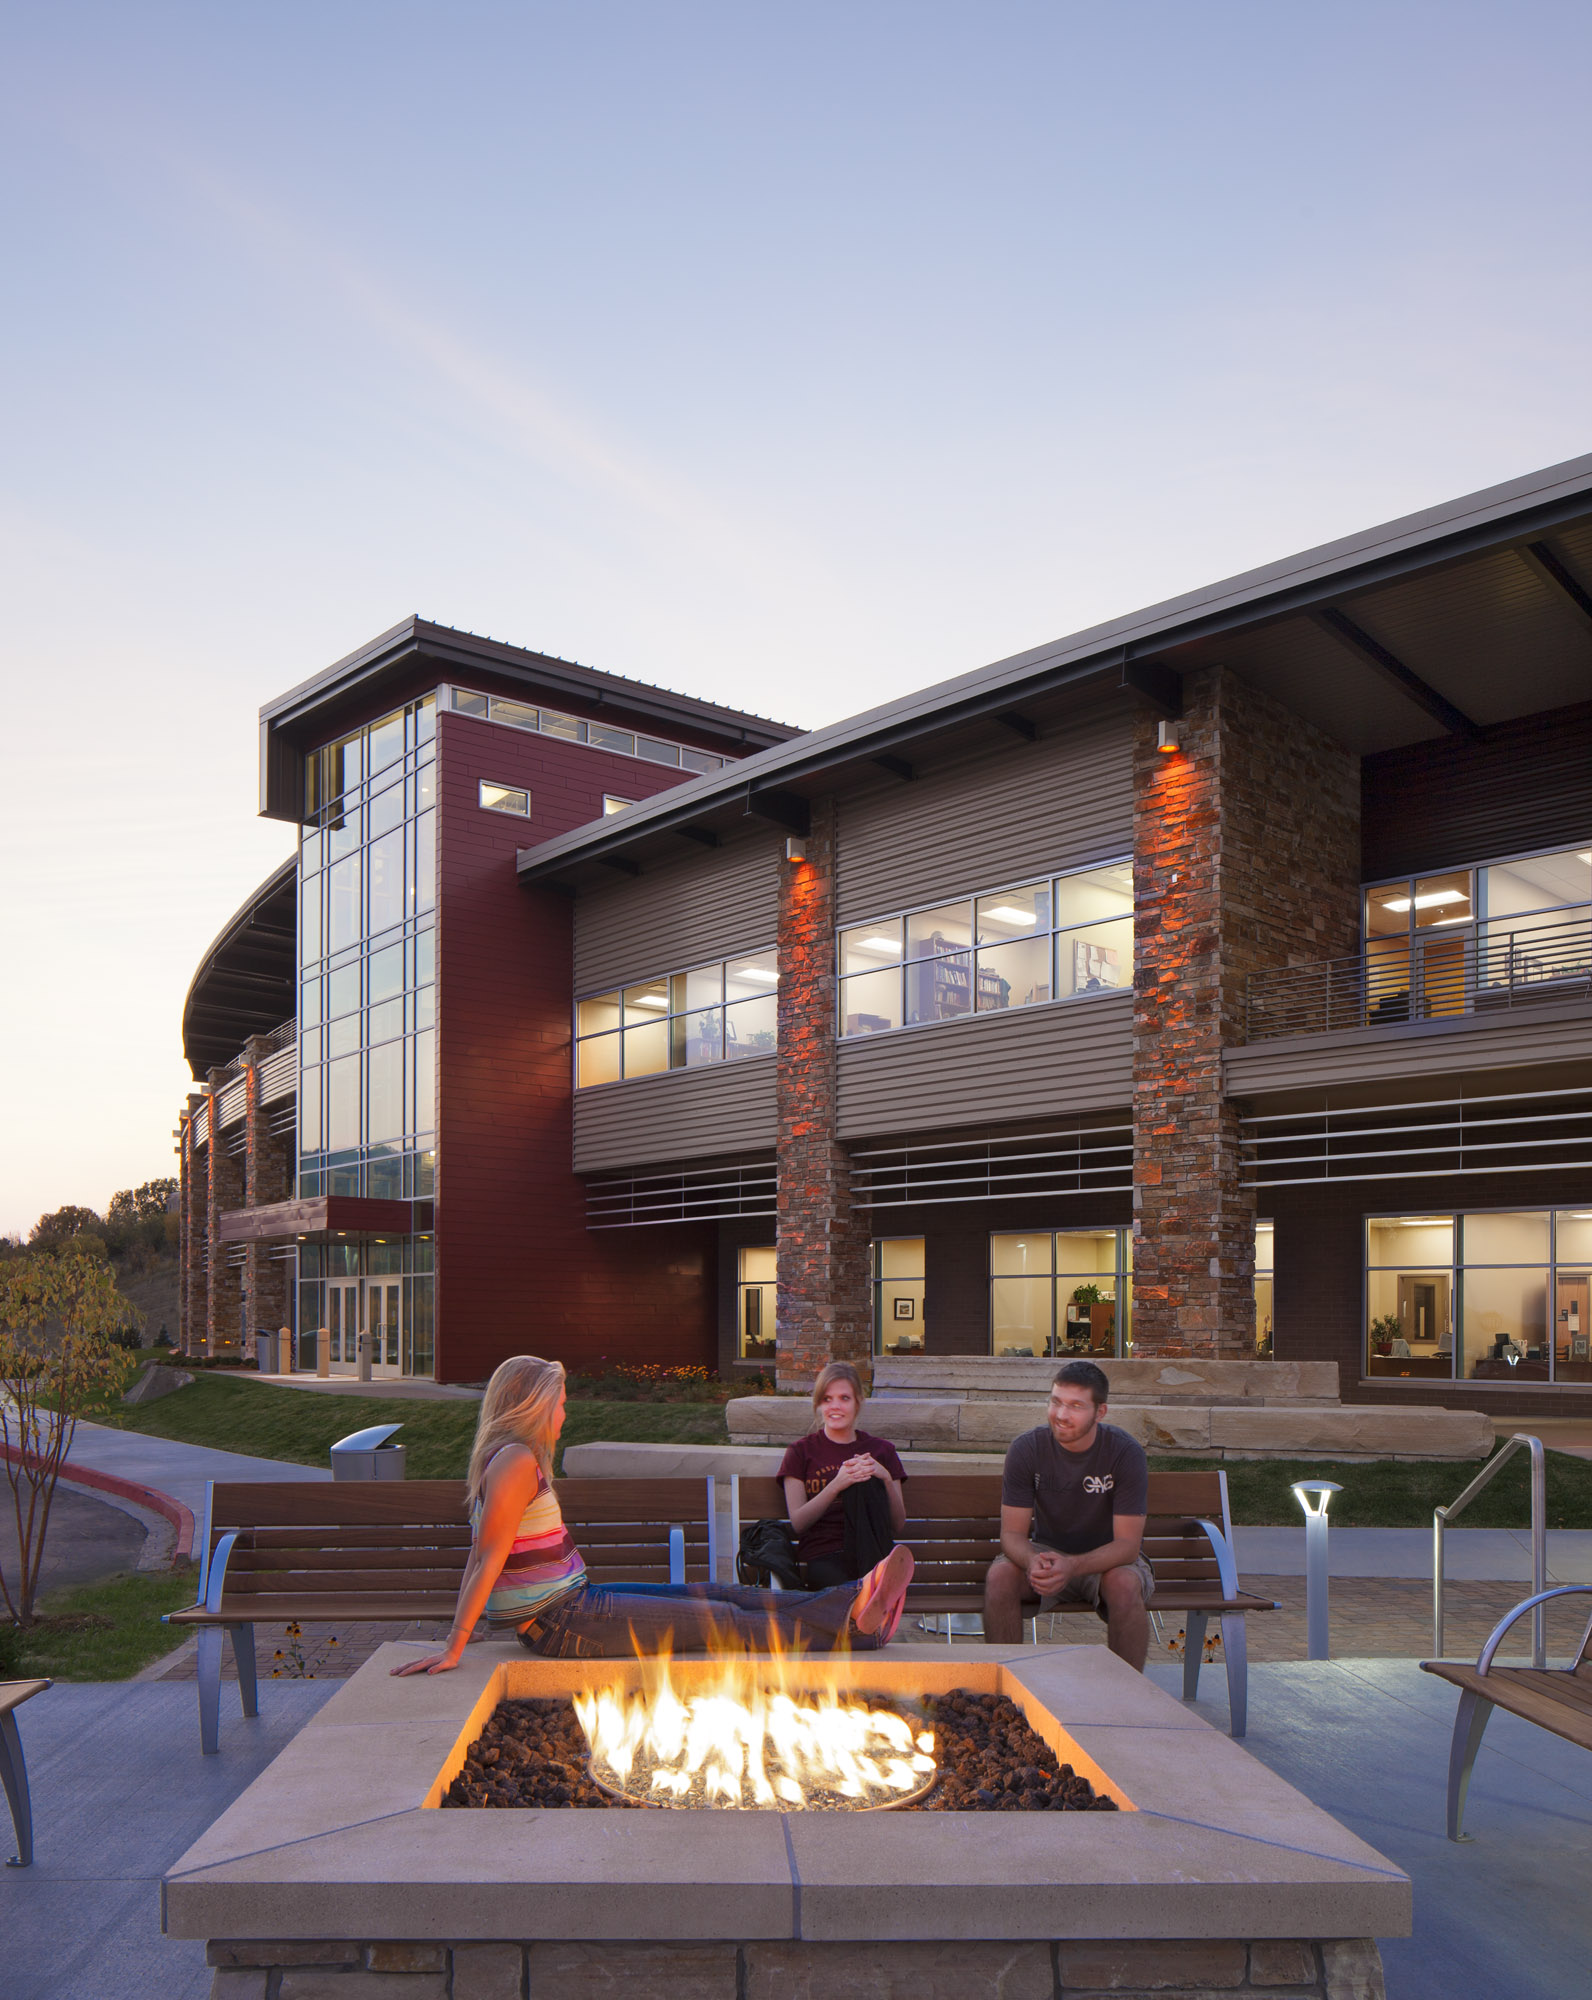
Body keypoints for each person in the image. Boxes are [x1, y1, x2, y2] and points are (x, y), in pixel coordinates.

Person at [391, 1354, 913, 1674]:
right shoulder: (515, 1460)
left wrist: (468, 1629)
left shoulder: (508, 1460)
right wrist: (457, 1643)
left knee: (725, 1594)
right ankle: (856, 1618)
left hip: (575, 1604)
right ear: (532, 1405)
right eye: (561, 1403)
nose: (565, 1414)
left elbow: (481, 1554)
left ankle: (854, 1609)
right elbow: (487, 1556)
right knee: (723, 1621)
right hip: (560, 1622)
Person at [983, 1360, 1152, 1669]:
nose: (1061, 1415)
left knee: (1125, 1585)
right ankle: (1004, 1690)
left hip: (1108, 1561)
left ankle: (1128, 1695)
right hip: (1047, 1554)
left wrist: (1073, 1566)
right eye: (1056, 1402)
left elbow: (1128, 1545)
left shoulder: (1124, 1453)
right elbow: (1012, 1534)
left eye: (1075, 1406)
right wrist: (1033, 1561)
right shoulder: (1027, 1449)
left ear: (1100, 1412)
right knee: (1001, 1575)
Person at [778, 1361, 908, 1586]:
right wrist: (837, 1484)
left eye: (844, 1398)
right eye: (827, 1399)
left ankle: (873, 1586)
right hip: (825, 1555)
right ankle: (872, 1594)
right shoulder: (800, 1452)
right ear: (818, 1404)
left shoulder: (881, 1451)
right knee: (847, 1588)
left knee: (866, 1477)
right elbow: (798, 1523)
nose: (835, 1406)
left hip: (873, 1551)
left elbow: (898, 1524)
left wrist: (885, 1478)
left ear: (858, 1402)